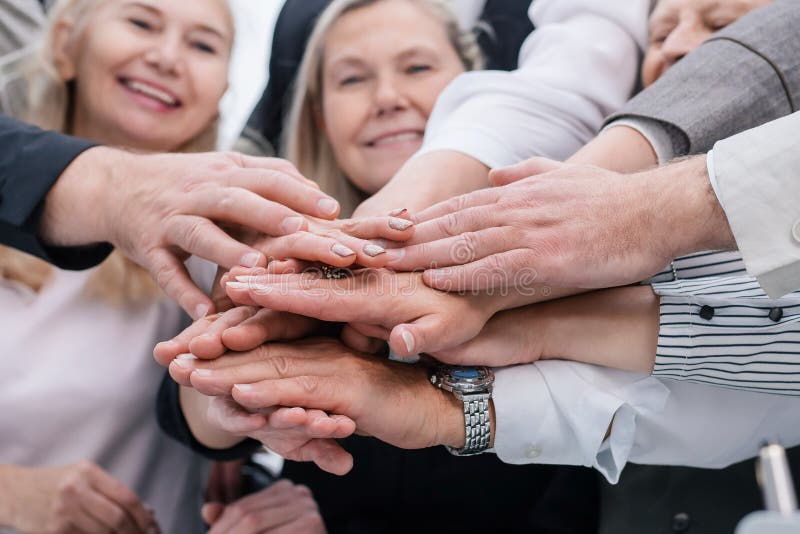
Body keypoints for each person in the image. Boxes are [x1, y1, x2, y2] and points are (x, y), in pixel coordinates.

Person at [159, 1, 599, 532]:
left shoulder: (561, 255)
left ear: (479, 93)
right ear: (320, 117)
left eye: (417, 68)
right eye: (352, 79)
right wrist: (228, 397)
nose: (388, 99)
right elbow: (185, 414)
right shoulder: (280, 250)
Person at [0, 1, 329, 532]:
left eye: (202, 45)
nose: (168, 57)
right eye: (141, 22)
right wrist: (10, 493)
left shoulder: (218, 257)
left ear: (223, 91)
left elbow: (217, 413)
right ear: (66, 46)